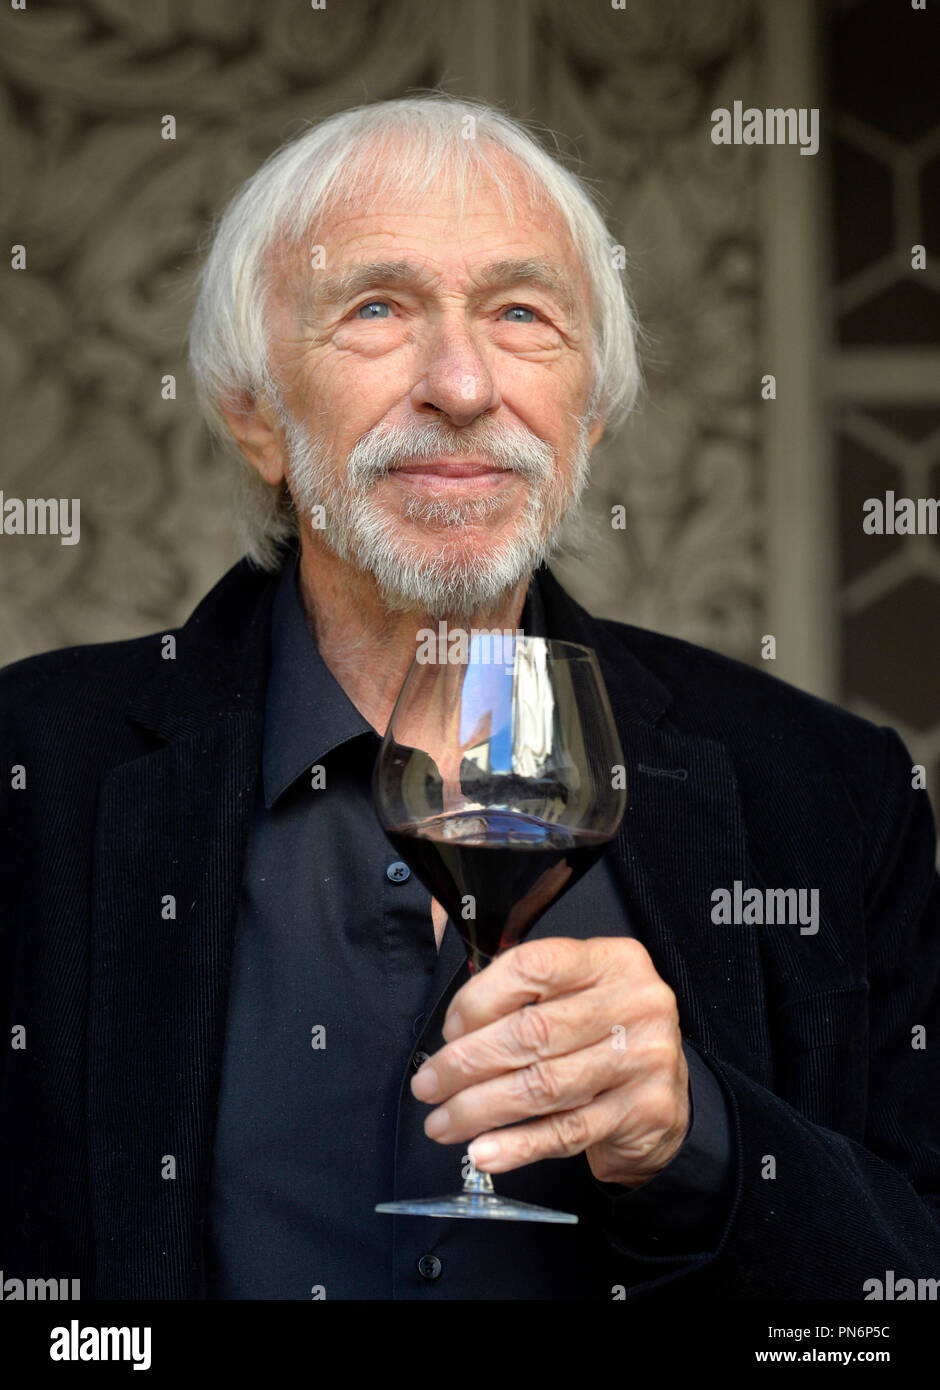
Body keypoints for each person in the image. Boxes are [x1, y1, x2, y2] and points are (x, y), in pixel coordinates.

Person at [1, 94, 938, 1302]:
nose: (460, 381)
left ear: (588, 411)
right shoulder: (33, 773)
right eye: (376, 307)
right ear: (253, 415)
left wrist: (703, 1142)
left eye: (520, 312)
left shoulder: (831, 795)